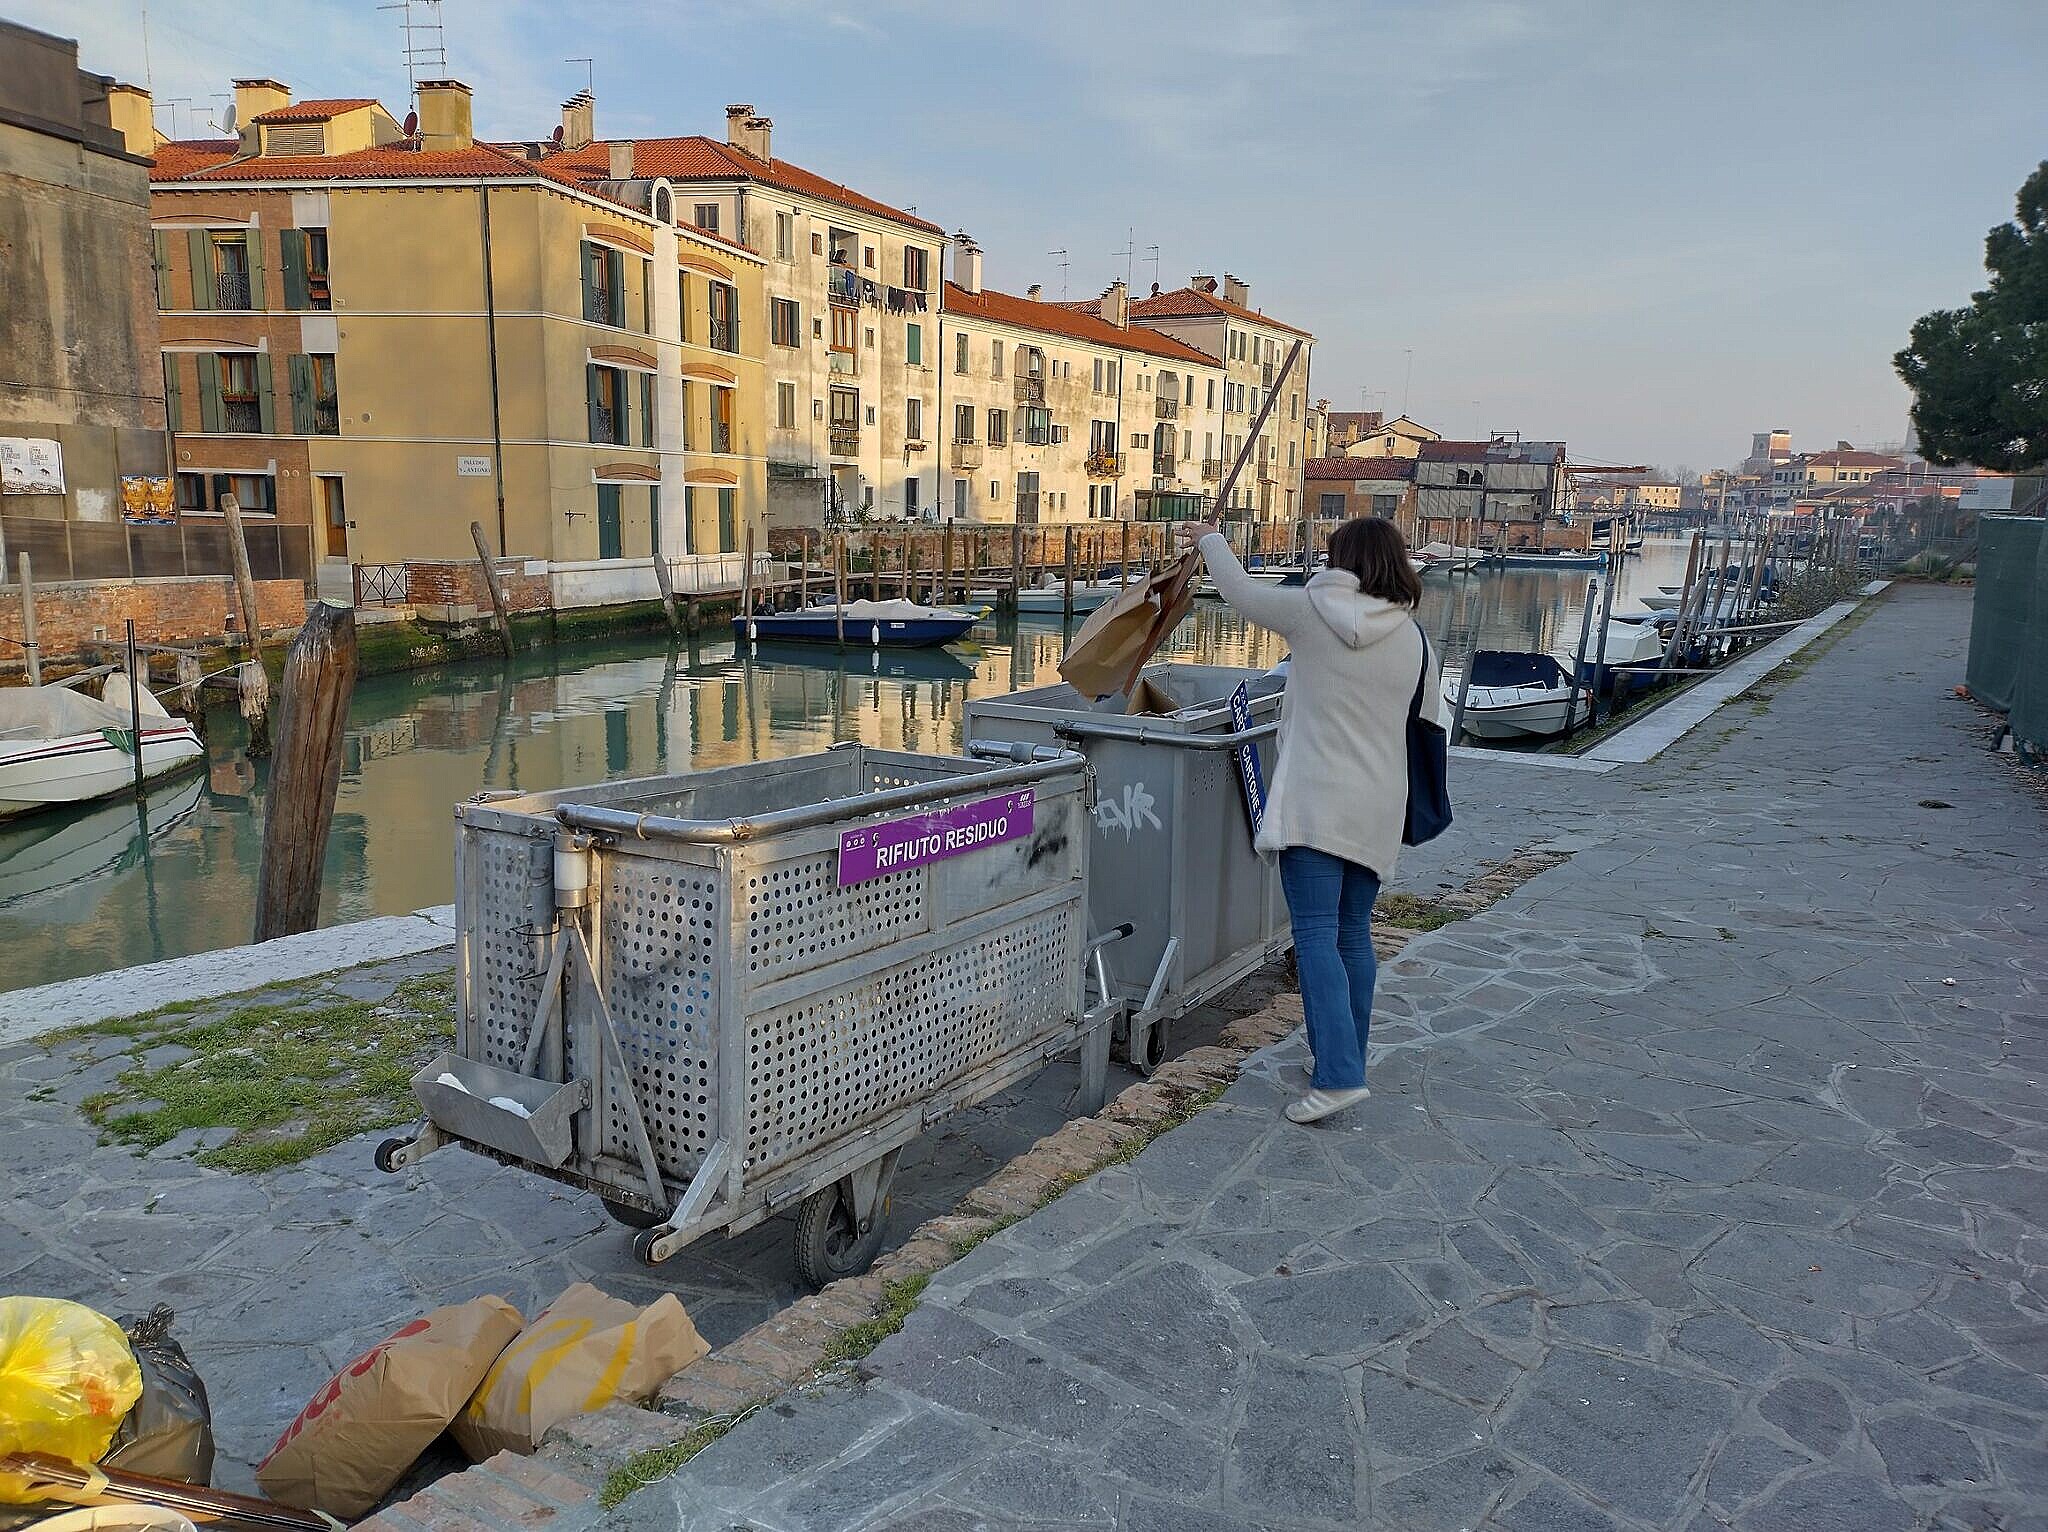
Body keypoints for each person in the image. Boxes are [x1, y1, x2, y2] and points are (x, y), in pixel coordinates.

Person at [1182, 516, 1434, 1124]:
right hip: (1377, 807)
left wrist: (1208, 537)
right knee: (1352, 933)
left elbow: (1238, 593)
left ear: (1340, 559)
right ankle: (1343, 1054)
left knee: (1316, 932)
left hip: (1318, 804)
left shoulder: (1310, 613)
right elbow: (1430, 725)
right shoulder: (1413, 638)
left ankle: (1339, 1075)